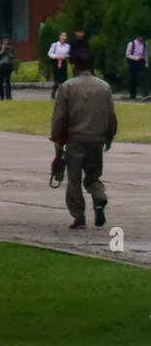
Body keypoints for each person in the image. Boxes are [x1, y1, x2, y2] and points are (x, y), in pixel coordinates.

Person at [50, 44, 116, 229]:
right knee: (93, 176)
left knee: (74, 180)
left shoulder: (67, 87)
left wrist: (56, 139)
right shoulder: (104, 87)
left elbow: (60, 116)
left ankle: (79, 216)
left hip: (75, 139)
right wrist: (109, 137)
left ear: (74, 65)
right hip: (97, 138)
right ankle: (99, 197)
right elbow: (111, 116)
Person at [48, 31, 70, 98]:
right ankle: (54, 93)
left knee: (64, 79)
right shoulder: (54, 45)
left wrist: (65, 57)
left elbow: (69, 54)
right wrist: (56, 57)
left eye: (65, 36)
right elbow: (50, 53)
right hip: (56, 62)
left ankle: (63, 95)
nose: (64, 37)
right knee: (57, 79)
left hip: (63, 62)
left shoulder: (67, 46)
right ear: (60, 37)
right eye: (62, 36)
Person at [125, 33, 147, 101]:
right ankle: (133, 95)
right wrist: (135, 58)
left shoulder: (144, 44)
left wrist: (146, 63)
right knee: (133, 79)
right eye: (140, 37)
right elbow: (127, 54)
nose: (141, 39)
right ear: (137, 37)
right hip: (133, 62)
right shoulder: (131, 43)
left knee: (143, 78)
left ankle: (144, 95)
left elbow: (145, 54)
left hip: (141, 62)